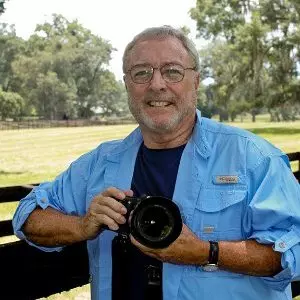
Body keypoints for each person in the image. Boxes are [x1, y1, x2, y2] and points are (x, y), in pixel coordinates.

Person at [13, 25, 300, 300]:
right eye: (141, 73)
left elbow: (293, 248)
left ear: (196, 81)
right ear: (127, 84)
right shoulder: (100, 164)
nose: (157, 85)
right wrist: (83, 225)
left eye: (172, 72)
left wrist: (206, 251)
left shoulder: (253, 158)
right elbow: (28, 216)